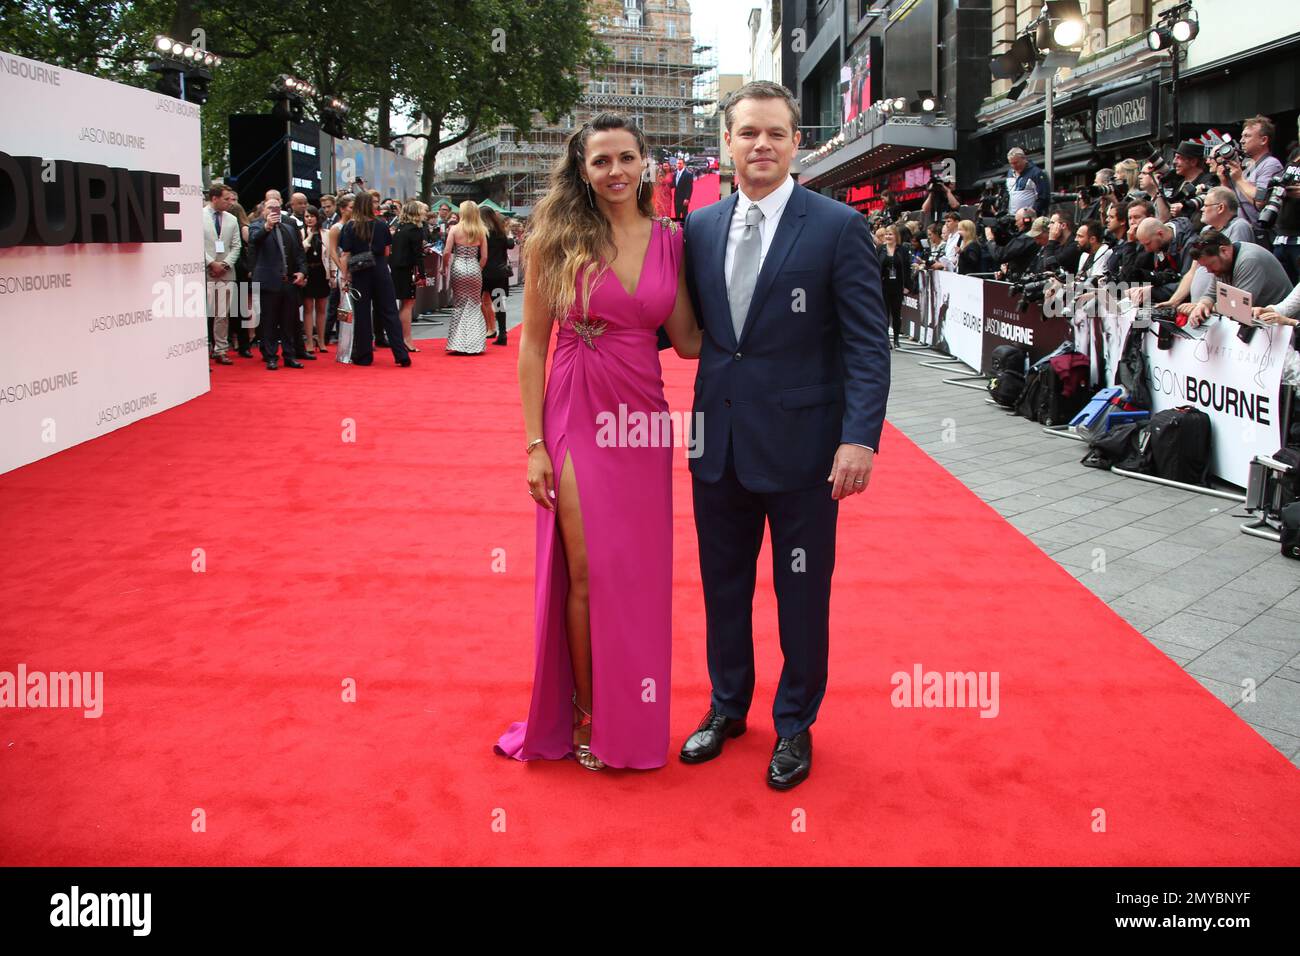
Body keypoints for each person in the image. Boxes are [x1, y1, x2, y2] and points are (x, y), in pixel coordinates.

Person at [679, 81, 889, 790]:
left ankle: (795, 724)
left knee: (801, 596)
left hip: (806, 453)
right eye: (747, 134)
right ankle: (727, 706)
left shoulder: (835, 226)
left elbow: (868, 343)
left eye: (775, 133)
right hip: (719, 445)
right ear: (727, 144)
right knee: (723, 589)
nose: (761, 145)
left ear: (796, 141)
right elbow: (679, 329)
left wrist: (860, 437)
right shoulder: (699, 228)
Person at [496, 112, 701, 771]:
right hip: (576, 408)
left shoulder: (671, 240)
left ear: (646, 163)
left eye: (625, 158)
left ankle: (630, 711)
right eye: (600, 160)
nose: (614, 171)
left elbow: (692, 340)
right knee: (585, 568)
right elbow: (530, 347)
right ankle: (585, 712)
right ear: (581, 169)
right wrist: (533, 444)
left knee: (633, 573)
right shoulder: (554, 239)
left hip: (643, 420)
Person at [336, 192, 411, 367]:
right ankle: (400, 354)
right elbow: (386, 252)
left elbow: (345, 254)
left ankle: (364, 356)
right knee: (389, 311)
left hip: (360, 271)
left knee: (362, 313)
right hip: (380, 269)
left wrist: (345, 276)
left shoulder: (349, 227)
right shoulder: (381, 225)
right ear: (371, 205)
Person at [1184, 229, 1295, 328]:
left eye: (1211, 264)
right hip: (1260, 323)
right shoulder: (1222, 262)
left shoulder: (1250, 259)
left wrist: (1207, 309)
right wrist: (1202, 305)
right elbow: (1212, 294)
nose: (1209, 271)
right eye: (1205, 267)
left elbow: (1238, 308)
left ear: (1224, 251)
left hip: (1283, 325)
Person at [248, 198, 307, 370]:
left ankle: (289, 355)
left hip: (288, 282)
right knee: (269, 322)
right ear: (263, 209)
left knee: (289, 321)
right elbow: (254, 240)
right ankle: (271, 356)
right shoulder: (257, 226)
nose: (274, 211)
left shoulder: (288, 228)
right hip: (269, 282)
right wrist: (267, 227)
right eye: (270, 207)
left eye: (277, 208)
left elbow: (299, 254)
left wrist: (303, 272)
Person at [1216, 115, 1283, 230]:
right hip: (1239, 229)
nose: (1242, 141)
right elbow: (1230, 204)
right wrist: (1224, 182)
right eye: (1242, 136)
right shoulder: (1246, 166)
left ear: (1263, 140)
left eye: (1247, 136)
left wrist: (1239, 179)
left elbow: (1261, 202)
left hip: (1258, 233)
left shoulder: (1271, 164)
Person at [442, 200, 489, 354]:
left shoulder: (455, 229)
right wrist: (478, 268)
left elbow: (447, 252)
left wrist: (444, 267)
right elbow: (484, 257)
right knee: (475, 304)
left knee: (459, 304)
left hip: (459, 267)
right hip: (474, 268)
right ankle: (475, 344)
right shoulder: (481, 230)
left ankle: (458, 343)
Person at [203, 183, 242, 366]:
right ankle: (203, 348)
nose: (229, 202)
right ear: (214, 198)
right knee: (202, 312)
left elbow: (236, 246)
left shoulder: (232, 219)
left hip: (226, 272)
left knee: (222, 314)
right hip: (204, 271)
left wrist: (225, 264)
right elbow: (194, 243)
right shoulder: (198, 216)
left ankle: (221, 349)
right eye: (226, 199)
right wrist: (211, 263)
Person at [390, 201, 426, 353]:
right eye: (424, 211)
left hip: (396, 268)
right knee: (408, 303)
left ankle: (402, 338)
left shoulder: (400, 228)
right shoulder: (415, 230)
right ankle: (406, 338)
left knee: (404, 303)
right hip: (406, 269)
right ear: (416, 212)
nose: (425, 213)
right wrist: (422, 274)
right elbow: (418, 255)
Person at [481, 206, 515, 346]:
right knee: (499, 304)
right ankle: (502, 333)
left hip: (484, 272)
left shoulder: (481, 233)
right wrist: (509, 234)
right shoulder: (500, 233)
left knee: (482, 301)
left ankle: (485, 329)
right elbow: (510, 245)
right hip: (499, 273)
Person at [227, 201, 256, 357]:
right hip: (235, 269)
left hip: (241, 269)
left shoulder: (244, 228)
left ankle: (242, 341)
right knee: (238, 308)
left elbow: (251, 248)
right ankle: (240, 341)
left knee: (240, 308)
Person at [300, 206, 330, 353]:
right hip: (307, 273)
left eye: (312, 216)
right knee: (308, 308)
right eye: (306, 216)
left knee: (321, 308)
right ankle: (309, 341)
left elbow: (330, 256)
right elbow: (301, 251)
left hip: (321, 272)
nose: (309, 219)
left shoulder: (326, 233)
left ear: (317, 218)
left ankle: (322, 339)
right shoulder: (300, 233)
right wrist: (309, 236)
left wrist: (332, 275)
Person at [878, 224, 912, 348]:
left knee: (896, 313)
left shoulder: (902, 250)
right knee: (884, 314)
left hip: (898, 285)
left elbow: (907, 269)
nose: (888, 236)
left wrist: (908, 285)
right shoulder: (880, 249)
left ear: (896, 236)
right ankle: (886, 339)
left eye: (890, 234)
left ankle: (896, 338)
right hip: (884, 285)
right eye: (886, 234)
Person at [1005, 147, 1050, 217]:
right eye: (1011, 163)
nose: (1014, 166)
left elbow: (1043, 197)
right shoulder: (1010, 173)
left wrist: (1032, 213)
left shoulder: (1037, 173)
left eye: (1016, 163)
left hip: (1029, 218)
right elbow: (1007, 193)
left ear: (1024, 159)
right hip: (1012, 216)